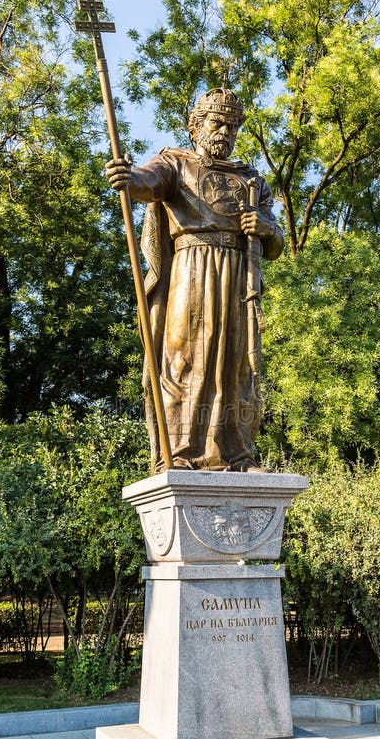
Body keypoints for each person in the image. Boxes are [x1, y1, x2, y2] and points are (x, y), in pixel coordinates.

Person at [106, 87, 283, 473]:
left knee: (235, 364)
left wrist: (265, 228)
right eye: (216, 123)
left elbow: (277, 242)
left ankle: (237, 455)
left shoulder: (251, 180)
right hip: (191, 269)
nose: (224, 131)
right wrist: (128, 176)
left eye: (231, 126)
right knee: (185, 358)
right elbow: (147, 182)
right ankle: (181, 453)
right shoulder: (176, 164)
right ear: (196, 126)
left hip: (237, 278)